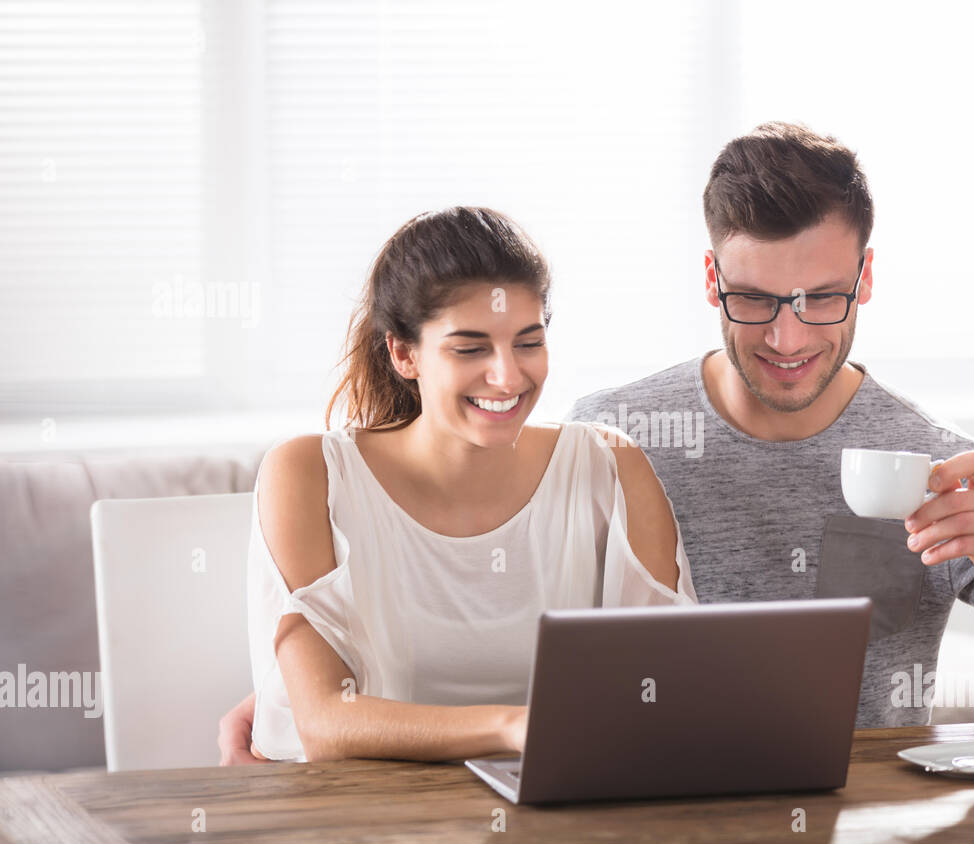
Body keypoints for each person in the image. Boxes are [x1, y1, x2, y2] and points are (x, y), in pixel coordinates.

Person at [565, 121, 974, 727]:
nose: (787, 340)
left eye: (822, 298)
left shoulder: (933, 461)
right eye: (753, 299)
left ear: (866, 276)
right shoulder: (610, 437)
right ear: (711, 279)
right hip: (656, 813)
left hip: (869, 818)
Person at [229, 206, 695, 764]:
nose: (508, 376)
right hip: (357, 820)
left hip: (557, 814)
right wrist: (513, 728)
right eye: (470, 348)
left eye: (528, 342)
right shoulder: (309, 474)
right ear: (403, 353)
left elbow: (666, 685)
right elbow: (327, 725)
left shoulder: (609, 465)